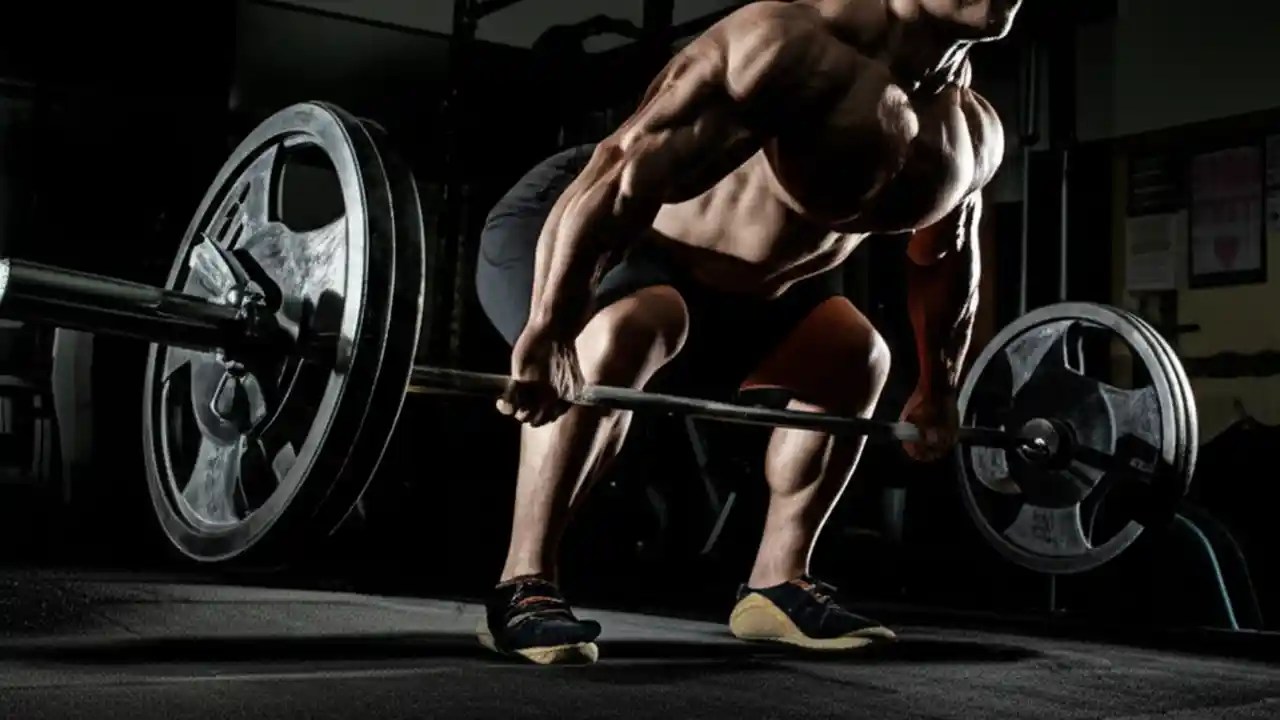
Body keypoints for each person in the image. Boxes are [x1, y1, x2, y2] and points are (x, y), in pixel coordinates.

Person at [475, 0, 1020, 665]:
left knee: (858, 359)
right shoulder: (791, 42)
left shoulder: (969, 127)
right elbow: (623, 174)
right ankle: (523, 583)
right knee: (632, 328)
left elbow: (944, 258)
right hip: (609, 233)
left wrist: (939, 387)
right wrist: (552, 324)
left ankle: (776, 583)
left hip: (758, 294)